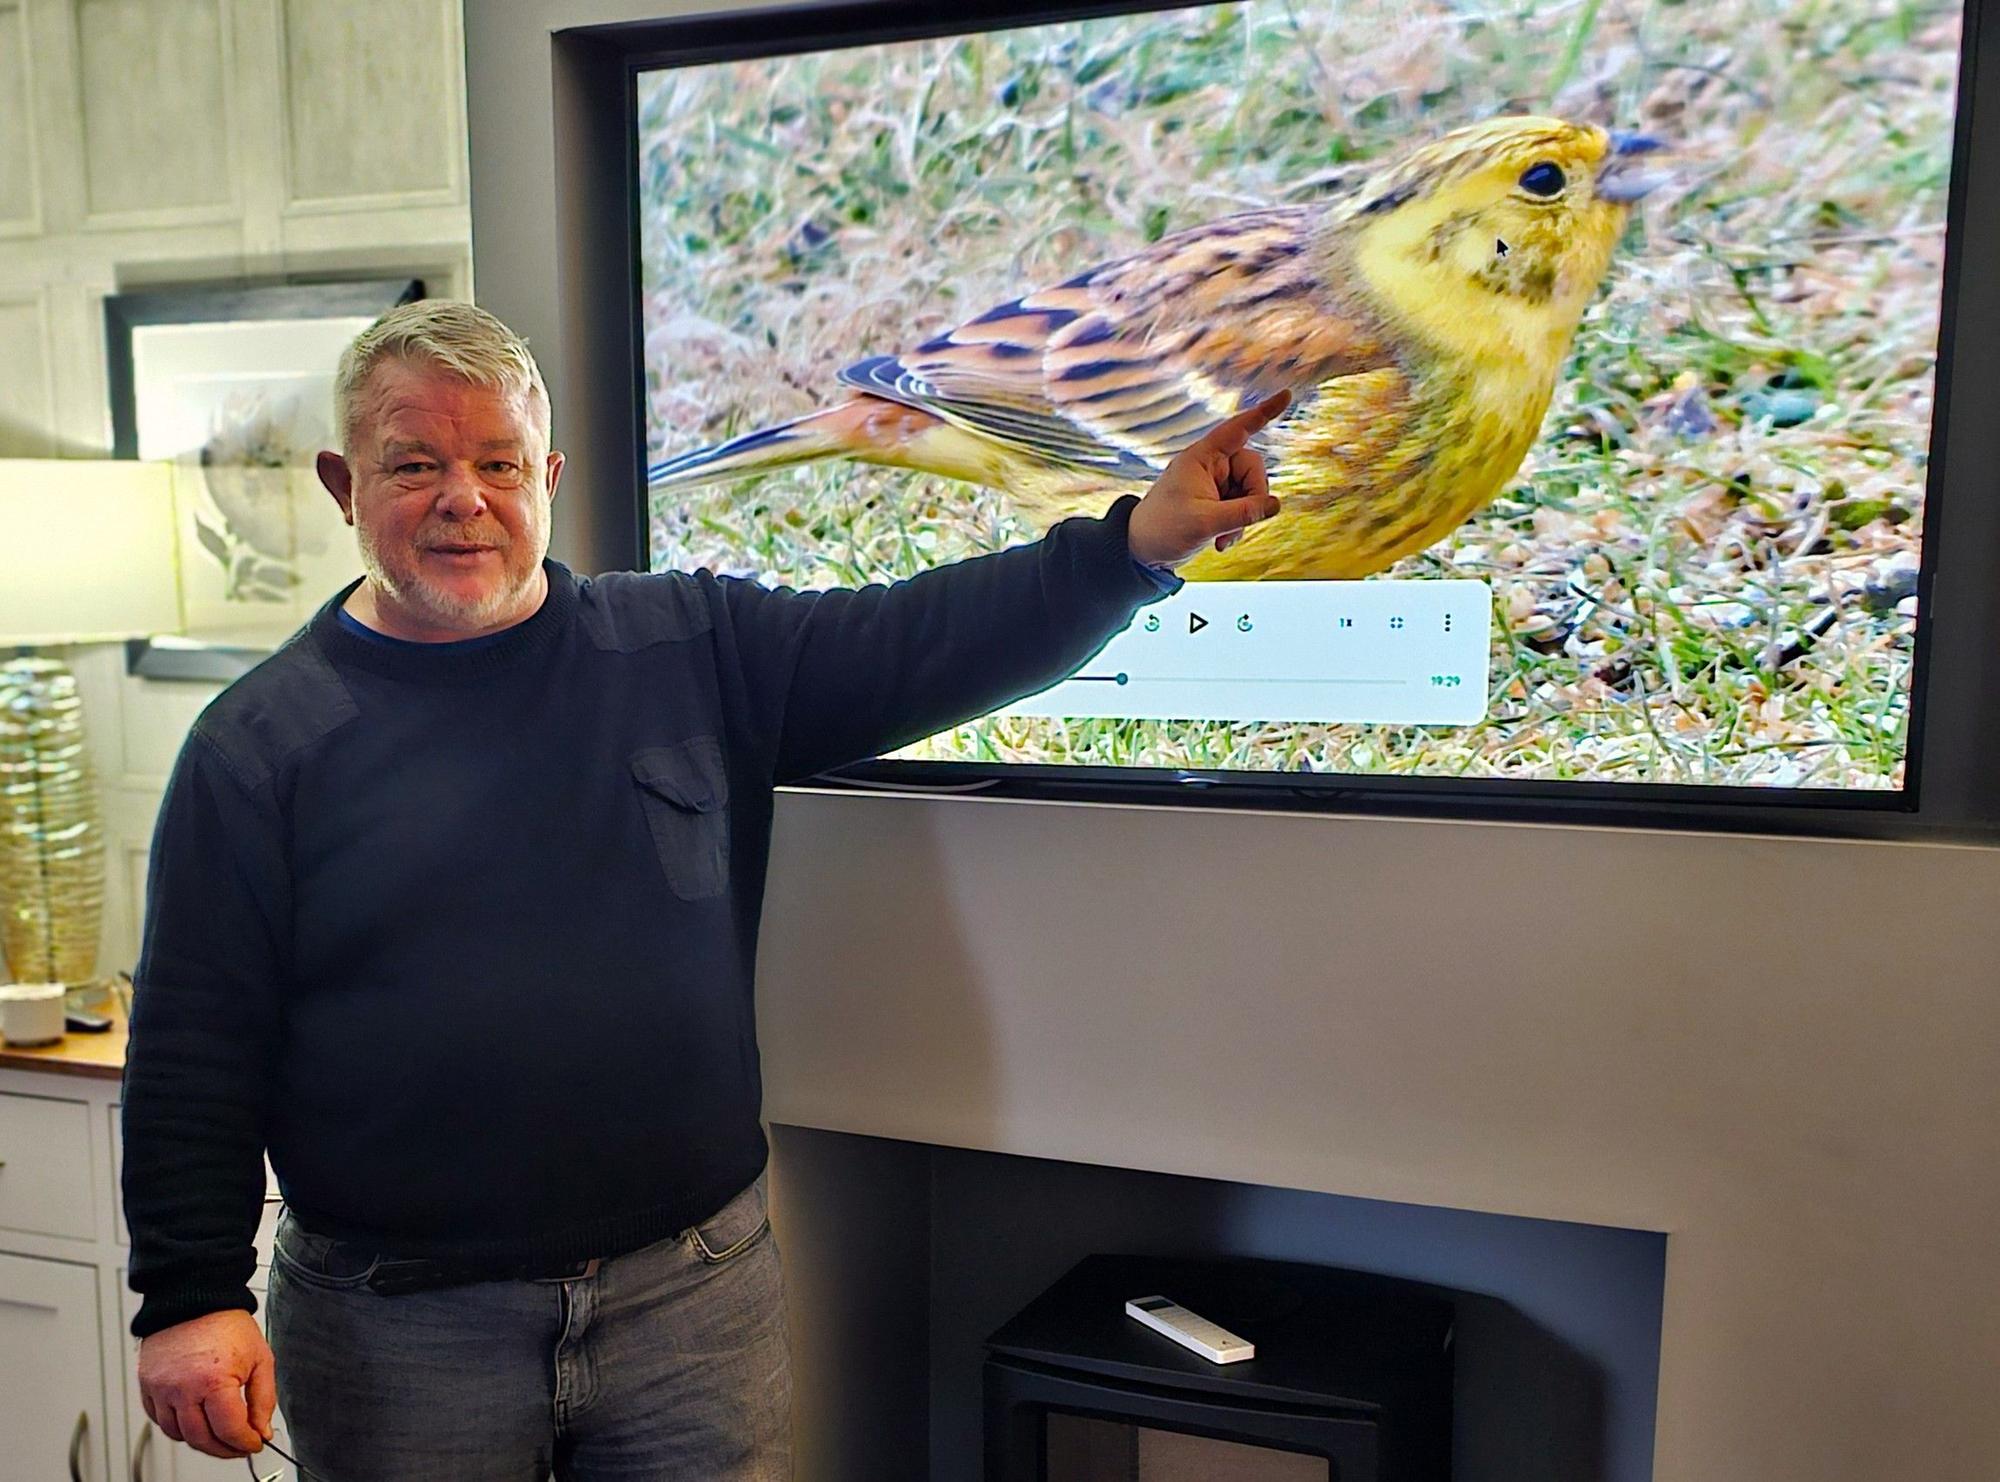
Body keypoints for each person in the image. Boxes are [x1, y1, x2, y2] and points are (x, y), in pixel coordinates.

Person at [122, 299, 1284, 1480]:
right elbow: (192, 1047)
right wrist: (189, 1297)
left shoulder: (689, 646)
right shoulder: (260, 746)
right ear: (343, 484)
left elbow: (919, 639)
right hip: (401, 1328)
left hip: (691, 1303)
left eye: (497, 463)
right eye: (413, 464)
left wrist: (1134, 541)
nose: (462, 498)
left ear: (549, 477)